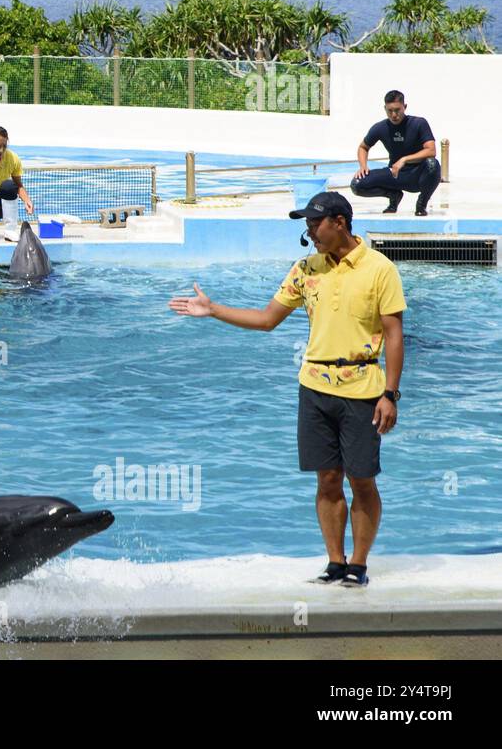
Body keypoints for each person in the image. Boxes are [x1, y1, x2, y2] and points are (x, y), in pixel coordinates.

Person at [168, 192, 406, 588]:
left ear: (340, 222)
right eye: (308, 224)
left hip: (363, 389)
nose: (309, 231)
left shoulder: (379, 269)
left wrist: (390, 394)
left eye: (315, 223)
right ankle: (335, 562)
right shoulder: (305, 269)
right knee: (327, 479)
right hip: (313, 388)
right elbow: (266, 319)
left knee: (361, 479)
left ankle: (359, 565)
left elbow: (394, 335)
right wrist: (214, 310)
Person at [350, 90, 441, 216]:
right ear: (385, 108)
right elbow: (363, 147)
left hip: (417, 174)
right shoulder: (380, 127)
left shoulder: (419, 123)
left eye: (397, 110)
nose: (393, 115)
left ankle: (422, 203)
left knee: (433, 164)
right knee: (357, 184)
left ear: (405, 107)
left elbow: (431, 150)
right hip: (395, 173)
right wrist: (363, 166)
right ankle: (393, 195)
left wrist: (404, 159)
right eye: (389, 111)